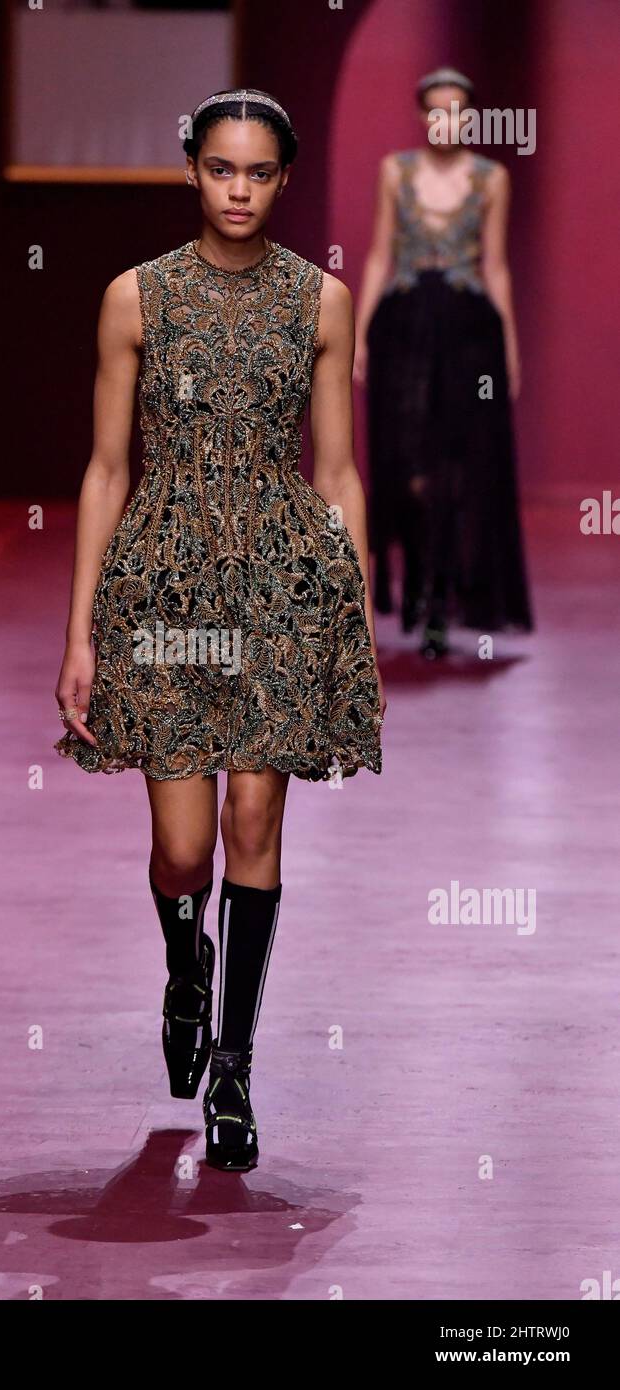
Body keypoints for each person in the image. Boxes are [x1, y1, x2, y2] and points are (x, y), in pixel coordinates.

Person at [53, 88, 384, 1172]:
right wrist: (80, 633)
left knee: (252, 822)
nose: (237, 189)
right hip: (162, 589)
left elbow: (334, 469)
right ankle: (183, 965)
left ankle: (233, 1067)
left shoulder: (319, 302)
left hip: (280, 583)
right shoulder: (132, 300)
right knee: (181, 849)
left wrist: (355, 609)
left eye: (257, 172)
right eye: (219, 169)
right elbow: (106, 469)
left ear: (284, 179)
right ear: (189, 169)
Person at [354, 66, 533, 658]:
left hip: (466, 335)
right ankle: (408, 590)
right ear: (421, 114)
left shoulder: (491, 178)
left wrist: (508, 346)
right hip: (402, 330)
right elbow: (381, 253)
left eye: (456, 109)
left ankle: (437, 602)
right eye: (435, 109)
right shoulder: (395, 171)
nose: (445, 119)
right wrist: (359, 335)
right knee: (403, 464)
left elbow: (497, 266)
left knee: (458, 469)